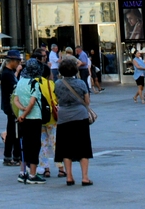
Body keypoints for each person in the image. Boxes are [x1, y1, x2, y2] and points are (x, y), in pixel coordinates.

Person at [54, 55, 93, 186]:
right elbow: (87, 101)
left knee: (65, 147)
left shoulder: (58, 84)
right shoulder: (81, 83)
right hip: (80, 116)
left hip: (63, 116)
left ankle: (69, 176)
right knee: (83, 147)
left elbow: (57, 98)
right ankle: (85, 177)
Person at [12, 58, 47, 183]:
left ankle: (22, 172)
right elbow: (32, 102)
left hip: (22, 119)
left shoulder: (20, 81)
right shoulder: (34, 83)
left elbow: (15, 99)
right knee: (34, 145)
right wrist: (26, 112)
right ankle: (32, 174)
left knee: (24, 145)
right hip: (34, 118)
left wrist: (21, 112)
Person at [0, 49, 23, 166]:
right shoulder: (7, 74)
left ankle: (15, 155)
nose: (19, 63)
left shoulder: (9, 73)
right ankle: (10, 156)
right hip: (11, 107)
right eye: (18, 61)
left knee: (14, 132)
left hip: (12, 106)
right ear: (12, 61)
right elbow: (15, 87)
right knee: (13, 133)